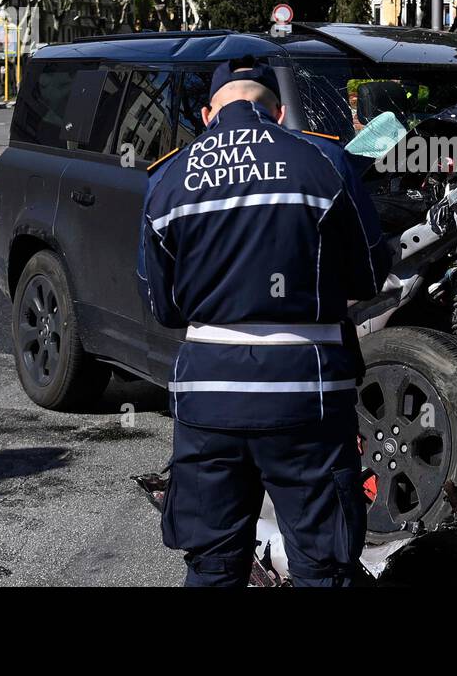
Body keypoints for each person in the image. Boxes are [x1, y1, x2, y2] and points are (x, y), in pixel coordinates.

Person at [139, 58, 390, 587]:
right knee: (323, 564)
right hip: (307, 395)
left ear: (209, 113)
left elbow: (162, 308)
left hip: (208, 398)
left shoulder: (166, 178)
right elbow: (370, 273)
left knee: (212, 564)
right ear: (277, 112)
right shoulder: (323, 159)